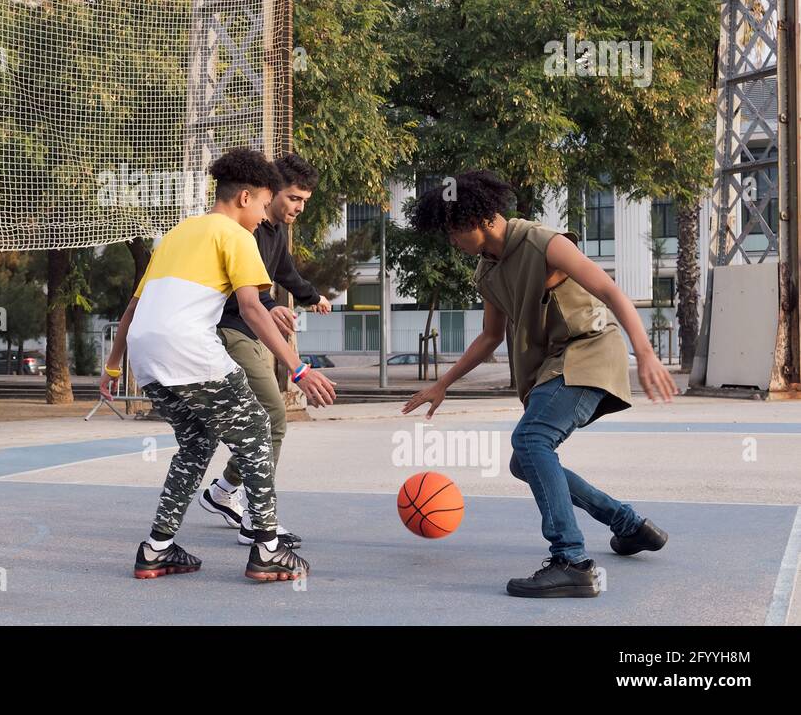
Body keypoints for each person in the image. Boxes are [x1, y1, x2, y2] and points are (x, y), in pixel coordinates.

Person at [403, 170, 676, 598]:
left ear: (482, 218)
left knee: (531, 442)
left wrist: (643, 351)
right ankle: (628, 525)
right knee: (524, 460)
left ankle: (571, 560)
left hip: (588, 353)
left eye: (454, 229)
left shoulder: (544, 243)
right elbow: (491, 337)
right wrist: (443, 384)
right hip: (554, 365)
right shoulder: (486, 272)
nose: (451, 239)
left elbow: (610, 290)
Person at [100, 148, 337, 582]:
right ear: (245, 198)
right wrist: (299, 370)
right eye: (265, 204)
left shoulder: (175, 235)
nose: (265, 215)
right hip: (187, 349)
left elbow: (132, 310)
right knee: (258, 428)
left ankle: (156, 549)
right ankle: (266, 547)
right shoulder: (236, 236)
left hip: (146, 357)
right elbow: (252, 308)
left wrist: (113, 367)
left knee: (195, 444)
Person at [198, 152, 331, 548]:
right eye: (293, 198)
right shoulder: (246, 229)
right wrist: (274, 310)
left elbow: (283, 274)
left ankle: (224, 490)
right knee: (272, 415)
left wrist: (311, 296)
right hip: (230, 329)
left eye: (305, 200)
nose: (299, 207)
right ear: (269, 192)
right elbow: (250, 295)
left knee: (258, 423)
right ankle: (257, 517)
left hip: (250, 333)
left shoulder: (275, 233)